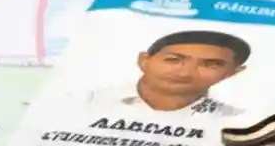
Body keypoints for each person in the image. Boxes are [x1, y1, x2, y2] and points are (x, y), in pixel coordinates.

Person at [82, 30, 250, 116]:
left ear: (232, 73)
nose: (185, 73)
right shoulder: (83, 103)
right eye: (173, 60)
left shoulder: (236, 121)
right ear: (144, 60)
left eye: (210, 65)